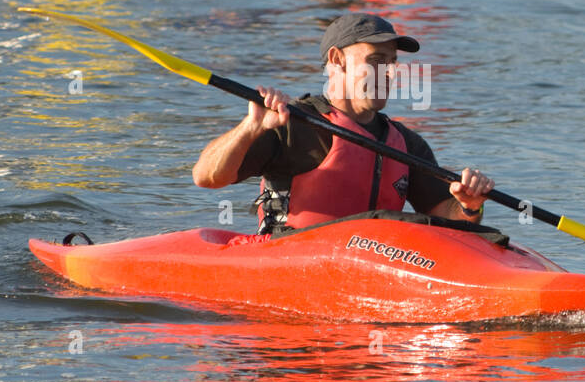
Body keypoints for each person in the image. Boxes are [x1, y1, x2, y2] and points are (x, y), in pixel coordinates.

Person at [192, 13, 494, 235]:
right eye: (376, 61)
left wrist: (469, 206)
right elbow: (206, 177)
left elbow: (445, 218)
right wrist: (250, 127)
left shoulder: (407, 144)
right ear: (337, 59)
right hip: (292, 262)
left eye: (392, 63)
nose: (388, 74)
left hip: (376, 266)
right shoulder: (291, 124)